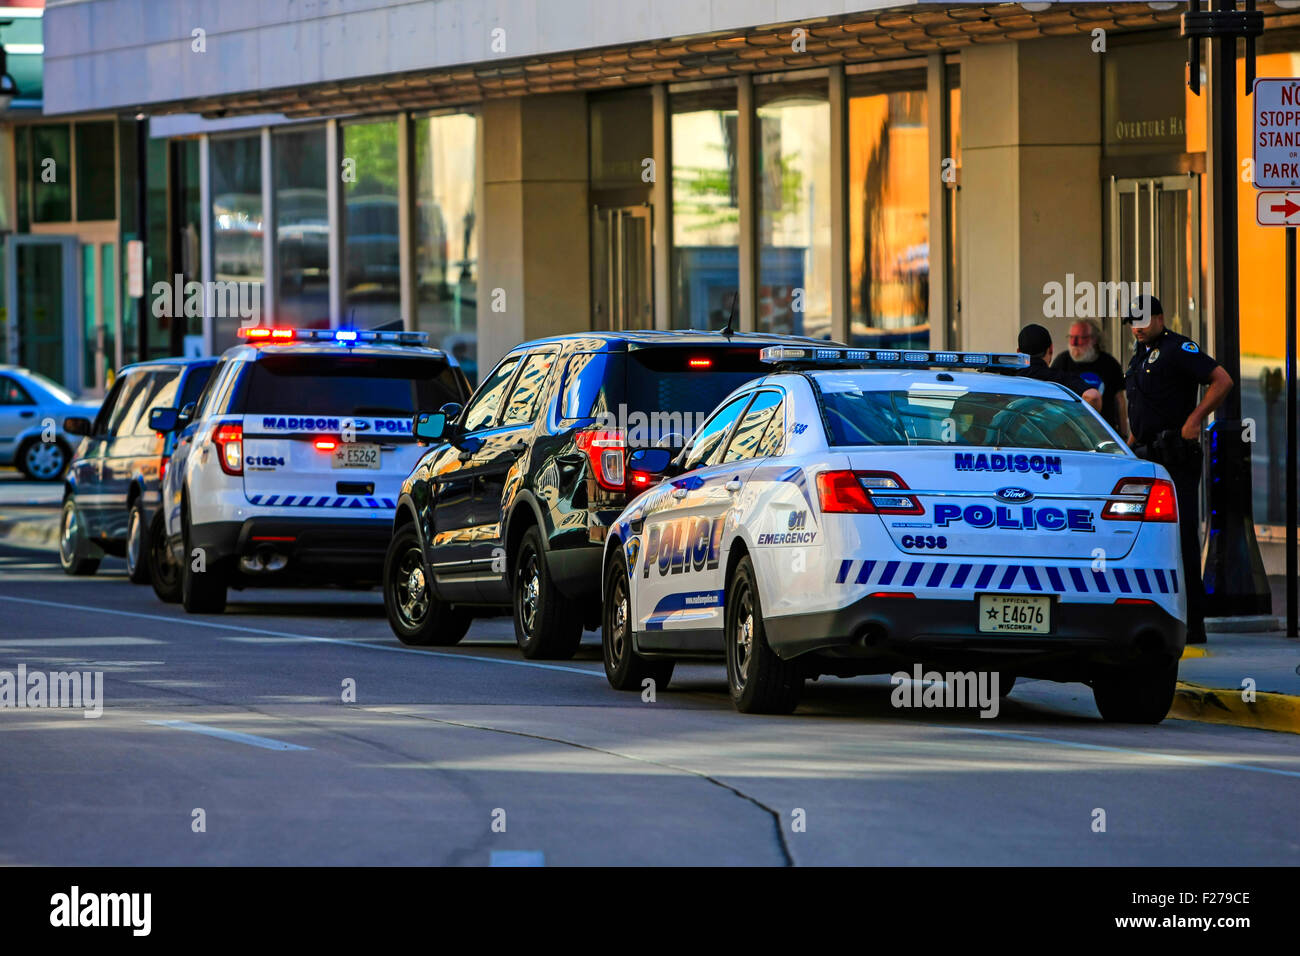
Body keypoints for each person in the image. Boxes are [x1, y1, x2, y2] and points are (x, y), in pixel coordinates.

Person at [1123, 294, 1234, 645]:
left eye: (1142, 320)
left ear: (1159, 317)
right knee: (1147, 539)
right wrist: (1129, 442)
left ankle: (1194, 623)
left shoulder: (1178, 348)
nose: (1137, 328)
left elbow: (1222, 380)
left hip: (1175, 456)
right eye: (1132, 322)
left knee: (1181, 537)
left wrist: (1195, 420)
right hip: (1146, 455)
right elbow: (1142, 405)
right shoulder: (1139, 356)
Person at [1051, 318, 1127, 435]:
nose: (1074, 343)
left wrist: (1124, 434)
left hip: (1104, 432)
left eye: (1080, 338)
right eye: (1071, 337)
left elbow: (1120, 401)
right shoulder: (1062, 362)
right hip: (1070, 433)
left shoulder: (1109, 364)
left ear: (1094, 339)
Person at [1016, 323, 1103, 412]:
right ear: (1051, 349)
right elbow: (1092, 397)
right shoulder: (1060, 379)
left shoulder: (1006, 377)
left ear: (1018, 352)